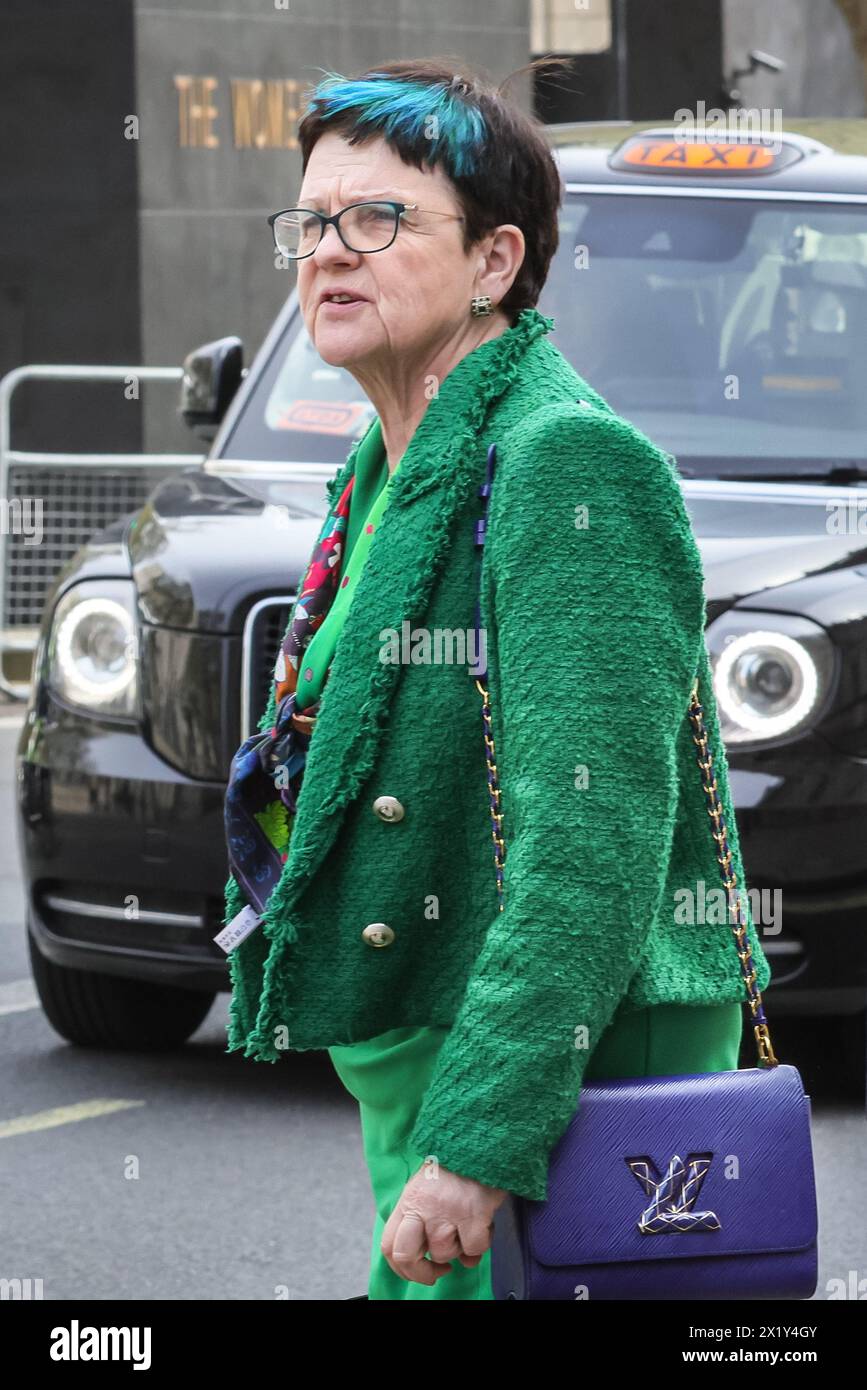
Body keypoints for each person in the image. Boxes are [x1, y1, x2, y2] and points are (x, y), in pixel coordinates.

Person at [221, 57, 772, 1301]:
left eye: (378, 219)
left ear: (494, 261)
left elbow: (596, 837)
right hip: (438, 1068)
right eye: (311, 222)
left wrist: (479, 1141)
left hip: (560, 1093)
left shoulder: (565, 459)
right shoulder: (391, 461)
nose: (329, 251)